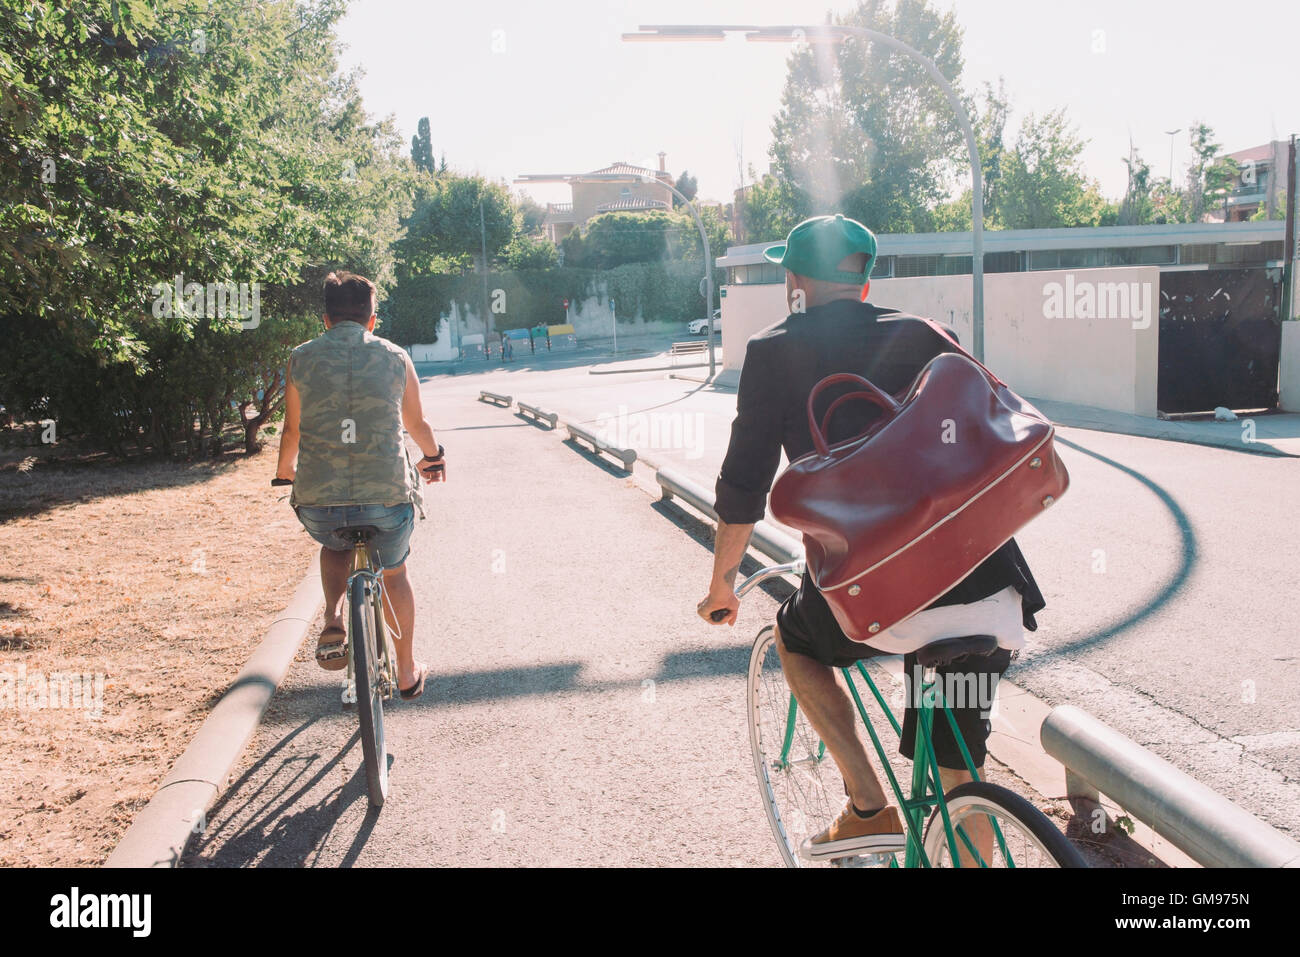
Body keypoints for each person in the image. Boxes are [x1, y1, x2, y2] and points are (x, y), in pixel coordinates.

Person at [697, 214, 1045, 862]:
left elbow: (744, 485)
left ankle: (866, 805)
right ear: (863, 280)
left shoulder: (774, 350)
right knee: (959, 774)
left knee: (793, 637)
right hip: (989, 590)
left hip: (874, 598)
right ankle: (965, 814)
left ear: (794, 280)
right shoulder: (925, 335)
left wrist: (721, 584)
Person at [275, 271, 447, 700]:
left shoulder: (301, 357)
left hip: (320, 500)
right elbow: (416, 424)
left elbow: (292, 430)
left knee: (334, 544)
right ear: (373, 320)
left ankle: (334, 617)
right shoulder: (394, 356)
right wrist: (433, 456)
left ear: (326, 320)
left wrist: (284, 472)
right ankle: (407, 671)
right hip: (386, 499)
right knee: (394, 570)